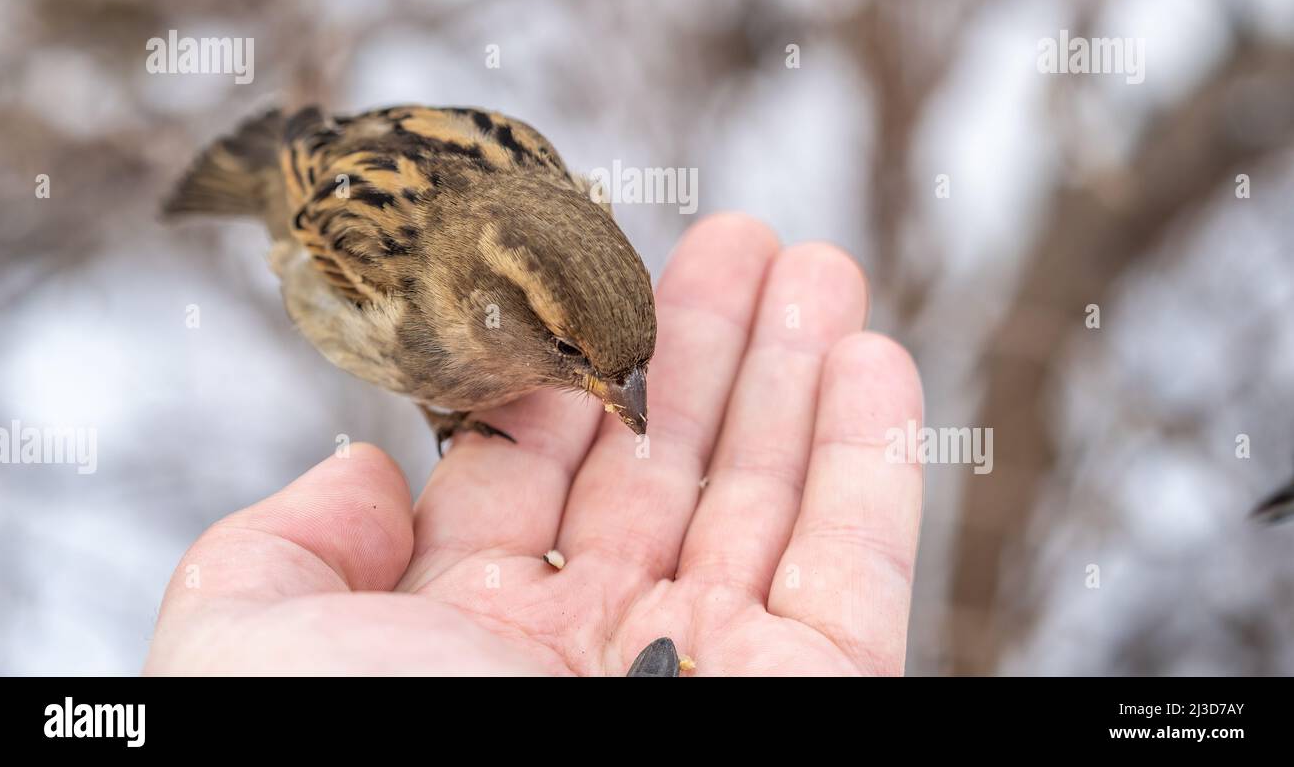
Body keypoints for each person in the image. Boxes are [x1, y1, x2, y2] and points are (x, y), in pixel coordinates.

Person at [145, 214, 924, 675]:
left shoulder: (561, 228)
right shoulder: (403, 286)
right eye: (575, 353)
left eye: (634, 372)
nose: (628, 400)